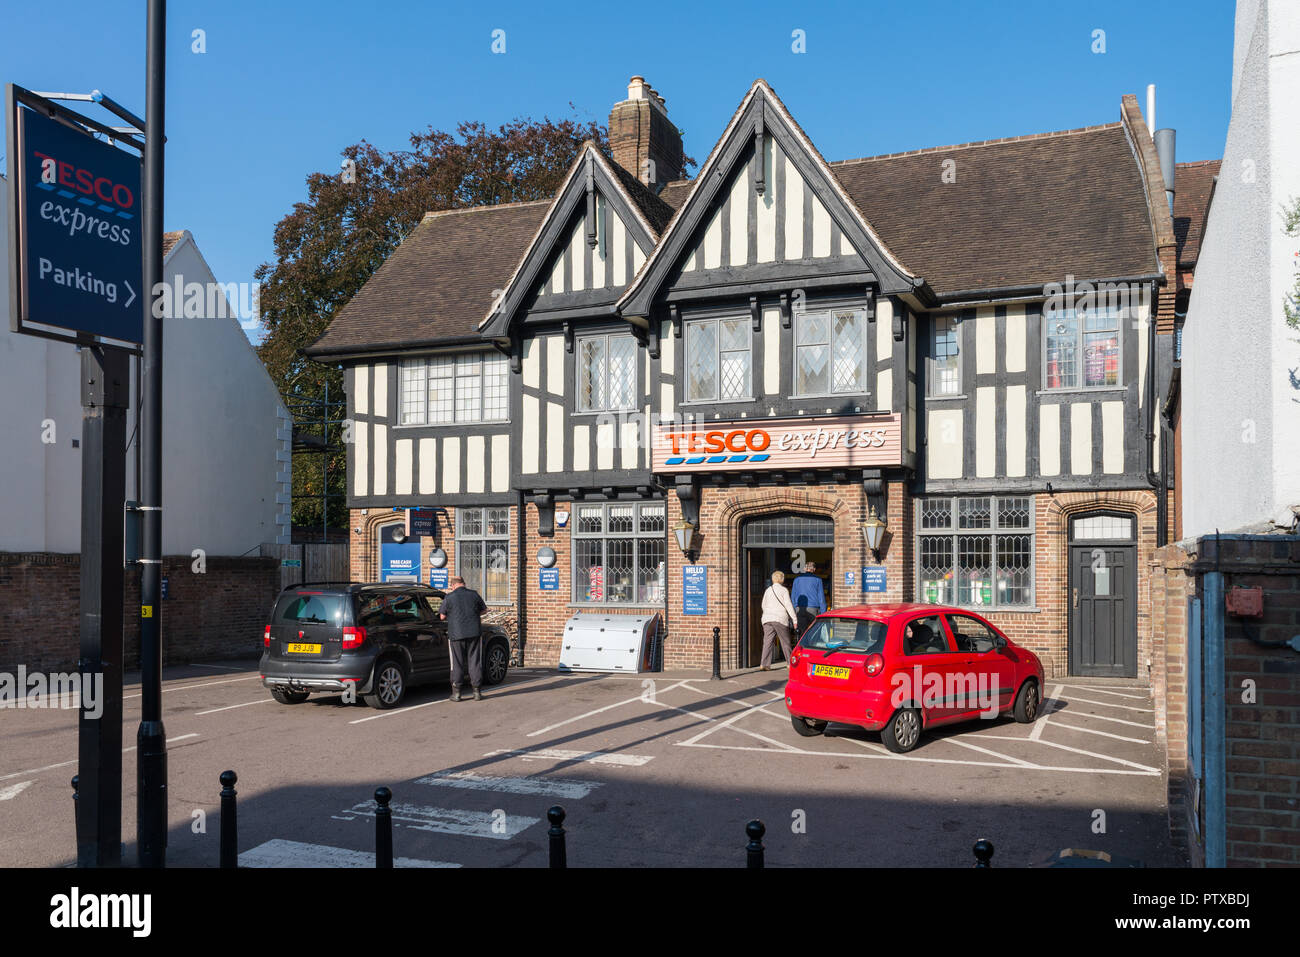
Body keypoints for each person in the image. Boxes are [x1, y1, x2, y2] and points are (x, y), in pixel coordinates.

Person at [439, 575, 487, 701]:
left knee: (457, 663)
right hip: (474, 633)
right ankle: (477, 692)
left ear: (453, 585)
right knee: (475, 662)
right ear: (463, 583)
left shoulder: (449, 597)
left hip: (456, 634)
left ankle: (457, 693)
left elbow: (442, 617)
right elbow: (484, 610)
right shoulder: (474, 594)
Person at [759, 570, 799, 671]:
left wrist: (768, 613)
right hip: (780, 618)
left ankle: (764, 664)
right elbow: (788, 605)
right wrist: (794, 619)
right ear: (781, 579)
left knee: (767, 642)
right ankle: (790, 663)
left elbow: (763, 605)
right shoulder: (784, 590)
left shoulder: (768, 590)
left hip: (767, 618)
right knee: (785, 642)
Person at [790, 561, 826, 636]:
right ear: (814, 569)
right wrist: (823, 613)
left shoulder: (797, 579)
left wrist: (793, 611)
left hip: (799, 609)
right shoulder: (818, 580)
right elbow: (821, 597)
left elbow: (793, 597)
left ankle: (802, 647)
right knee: (814, 633)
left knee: (801, 634)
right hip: (813, 609)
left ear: (804, 568)